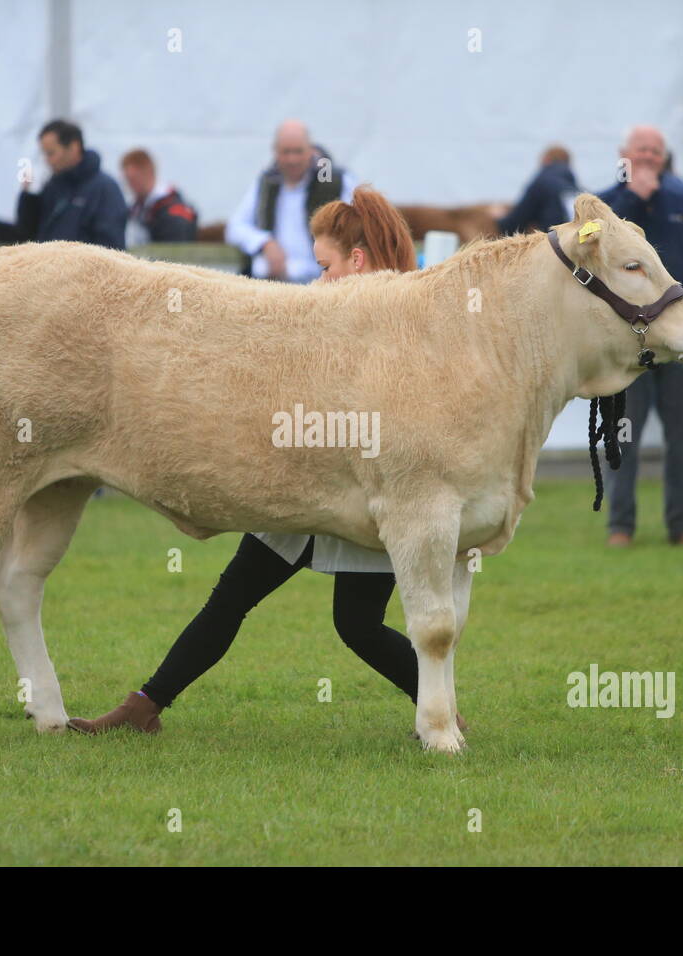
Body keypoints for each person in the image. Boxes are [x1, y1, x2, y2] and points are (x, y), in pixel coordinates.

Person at [67, 187, 453, 736]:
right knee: (231, 599)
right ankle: (144, 705)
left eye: (325, 267)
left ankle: (441, 707)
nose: (317, 281)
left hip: (366, 503)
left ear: (358, 262)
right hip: (298, 495)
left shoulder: (398, 330)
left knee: (357, 626)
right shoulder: (326, 320)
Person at [598, 125, 683, 549]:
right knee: (622, 436)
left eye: (656, 151)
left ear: (665, 158)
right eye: (642, 150)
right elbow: (594, 259)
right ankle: (620, 527)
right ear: (624, 155)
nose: (650, 156)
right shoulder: (607, 207)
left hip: (682, 349)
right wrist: (635, 197)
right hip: (629, 349)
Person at [225, 119, 358, 282]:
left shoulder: (336, 181)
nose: (292, 159)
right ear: (275, 152)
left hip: (324, 283)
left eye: (298, 151)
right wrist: (265, 243)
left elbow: (360, 226)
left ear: (310, 151)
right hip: (274, 283)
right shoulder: (266, 183)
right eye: (286, 152)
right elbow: (235, 228)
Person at [16, 119, 127, 249]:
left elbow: (111, 248)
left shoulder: (105, 189)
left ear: (74, 147)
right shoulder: (53, 187)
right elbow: (29, 235)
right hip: (49, 268)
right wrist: (29, 196)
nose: (47, 161)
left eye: (51, 153)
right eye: (44, 154)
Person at [119, 148, 198, 246]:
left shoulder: (175, 211)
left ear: (149, 172)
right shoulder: (137, 208)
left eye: (133, 179)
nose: (130, 185)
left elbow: (176, 251)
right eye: (127, 180)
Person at [497, 144, 580, 235]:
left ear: (546, 160)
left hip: (554, 243)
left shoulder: (543, 182)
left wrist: (497, 218)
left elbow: (514, 223)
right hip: (575, 241)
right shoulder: (576, 189)